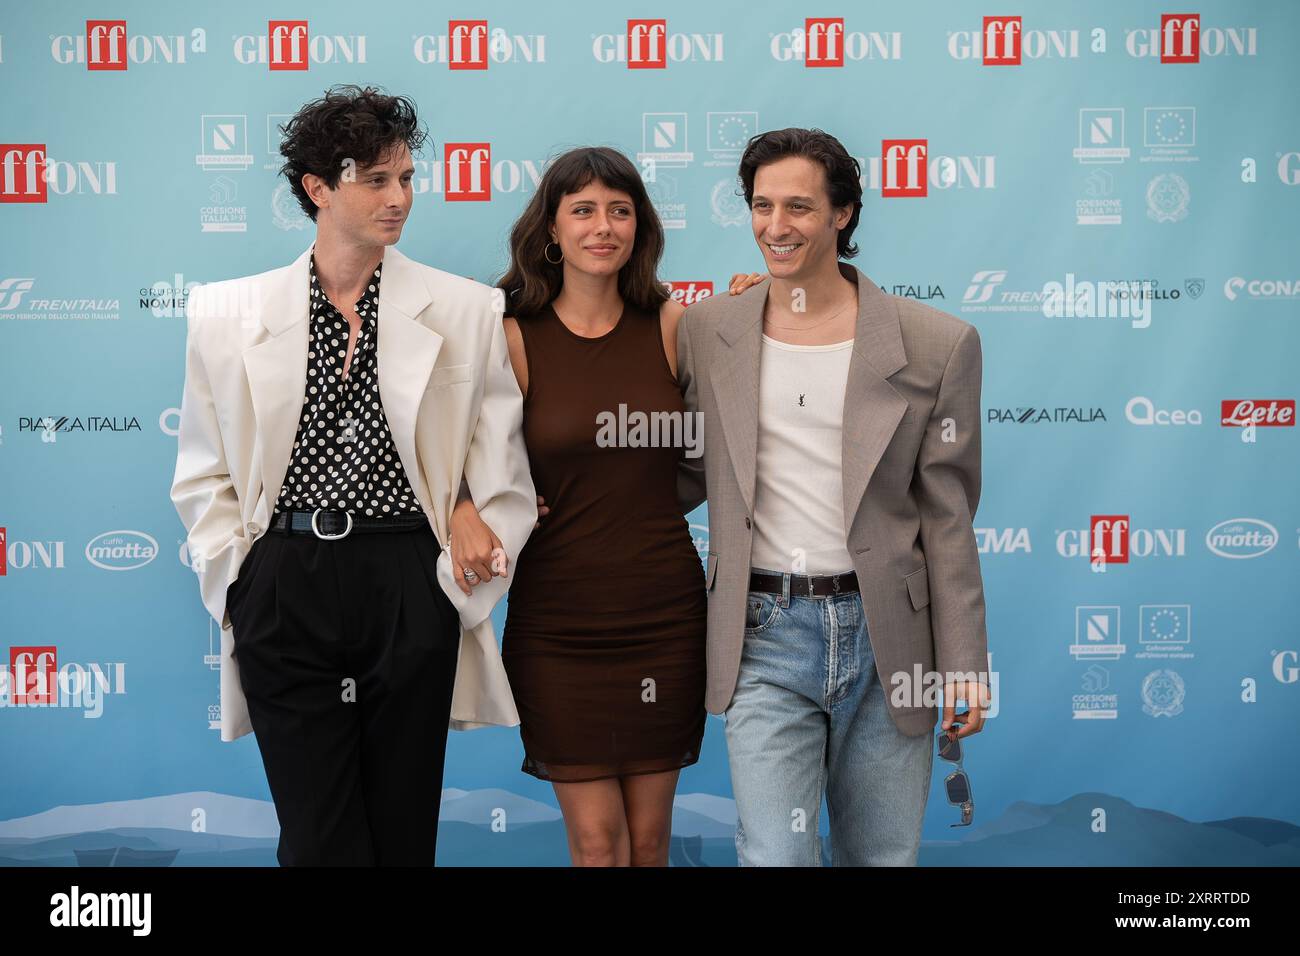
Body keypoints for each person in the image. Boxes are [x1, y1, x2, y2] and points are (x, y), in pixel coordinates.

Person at [169, 85, 537, 866]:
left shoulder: (466, 309)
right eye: (375, 179)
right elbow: (202, 475)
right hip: (282, 577)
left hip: (408, 574)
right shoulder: (226, 313)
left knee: (402, 834)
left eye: (405, 177)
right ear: (317, 189)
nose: (398, 197)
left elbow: (502, 473)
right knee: (316, 838)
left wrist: (453, 589)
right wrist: (239, 584)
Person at [676, 127, 991, 866]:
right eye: (760, 206)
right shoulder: (707, 328)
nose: (775, 227)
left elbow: (949, 522)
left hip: (891, 642)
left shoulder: (937, 343)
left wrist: (967, 662)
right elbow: (676, 467)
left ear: (843, 215)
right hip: (761, 633)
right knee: (775, 856)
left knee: (881, 857)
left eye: (799, 208)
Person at [450, 146, 756, 867]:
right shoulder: (511, 337)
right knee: (596, 843)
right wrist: (467, 510)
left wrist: (756, 306)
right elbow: (453, 457)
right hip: (558, 624)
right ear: (551, 230)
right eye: (582, 210)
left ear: (639, 228)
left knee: (649, 844)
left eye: (620, 210)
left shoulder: (679, 326)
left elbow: (731, 430)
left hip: (665, 613)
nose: (603, 226)